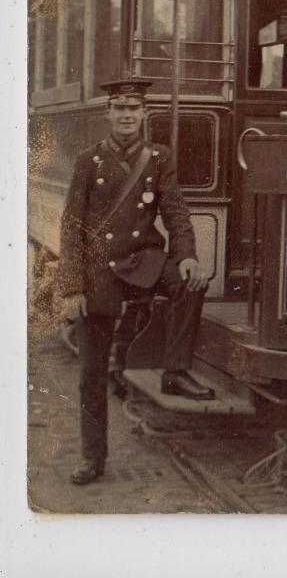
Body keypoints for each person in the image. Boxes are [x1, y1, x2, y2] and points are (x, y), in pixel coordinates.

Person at [58, 79, 214, 485]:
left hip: (142, 260)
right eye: (120, 108)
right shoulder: (88, 161)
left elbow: (176, 212)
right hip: (99, 270)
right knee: (92, 373)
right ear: (108, 113)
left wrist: (187, 256)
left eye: (134, 108)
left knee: (191, 283)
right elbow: (71, 227)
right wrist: (72, 287)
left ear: (144, 113)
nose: (127, 115)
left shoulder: (159, 158)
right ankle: (93, 458)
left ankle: (174, 371)